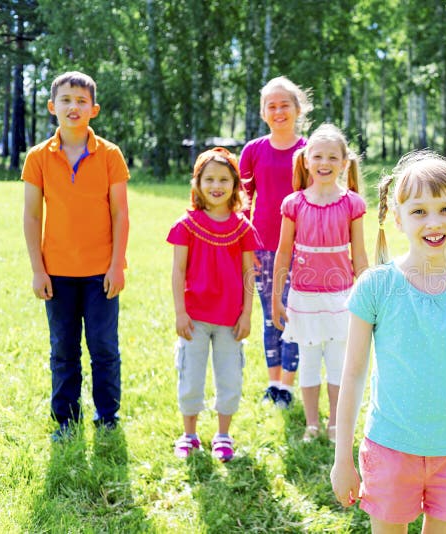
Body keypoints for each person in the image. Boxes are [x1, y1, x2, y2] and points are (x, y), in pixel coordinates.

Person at [331, 151, 446, 533]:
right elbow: (353, 375)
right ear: (398, 217)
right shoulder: (375, 287)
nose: (434, 222)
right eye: (419, 211)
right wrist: (342, 458)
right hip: (389, 449)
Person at [22, 71, 130, 441]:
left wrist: (117, 265)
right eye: (66, 99)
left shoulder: (110, 155)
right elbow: (33, 215)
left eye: (82, 101)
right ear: (53, 106)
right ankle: (66, 420)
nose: (74, 106)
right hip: (57, 272)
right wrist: (38, 270)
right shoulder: (37, 157)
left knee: (103, 347)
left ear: (94, 109)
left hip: (101, 272)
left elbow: (120, 213)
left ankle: (107, 415)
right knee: (63, 349)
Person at [271, 124, 368, 443]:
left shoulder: (352, 203)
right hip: (304, 299)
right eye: (318, 156)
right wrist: (276, 298)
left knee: (339, 365)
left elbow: (360, 254)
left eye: (332, 157)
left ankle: (336, 424)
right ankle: (312, 423)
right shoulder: (294, 203)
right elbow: (283, 252)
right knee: (310, 363)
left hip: (342, 298)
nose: (324, 162)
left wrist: (367, 298)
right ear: (306, 160)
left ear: (344, 162)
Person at [167, 147, 260, 461]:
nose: (216, 185)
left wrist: (247, 314)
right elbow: (178, 271)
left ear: (235, 185)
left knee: (229, 376)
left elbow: (250, 273)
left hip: (230, 319)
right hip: (194, 317)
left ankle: (223, 434)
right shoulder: (186, 225)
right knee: (190, 375)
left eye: (224, 179)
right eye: (209, 179)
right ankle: (189, 434)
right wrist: (180, 312)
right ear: (197, 183)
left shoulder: (243, 228)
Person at [240, 76, 313, 409]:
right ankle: (272, 383)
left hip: (303, 250)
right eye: (272, 105)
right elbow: (243, 203)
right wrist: (245, 249)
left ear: (297, 109)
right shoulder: (253, 151)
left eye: (285, 104)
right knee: (271, 315)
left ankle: (288, 385)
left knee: (294, 314)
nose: (279, 111)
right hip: (263, 248)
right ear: (263, 112)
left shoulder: (310, 151)